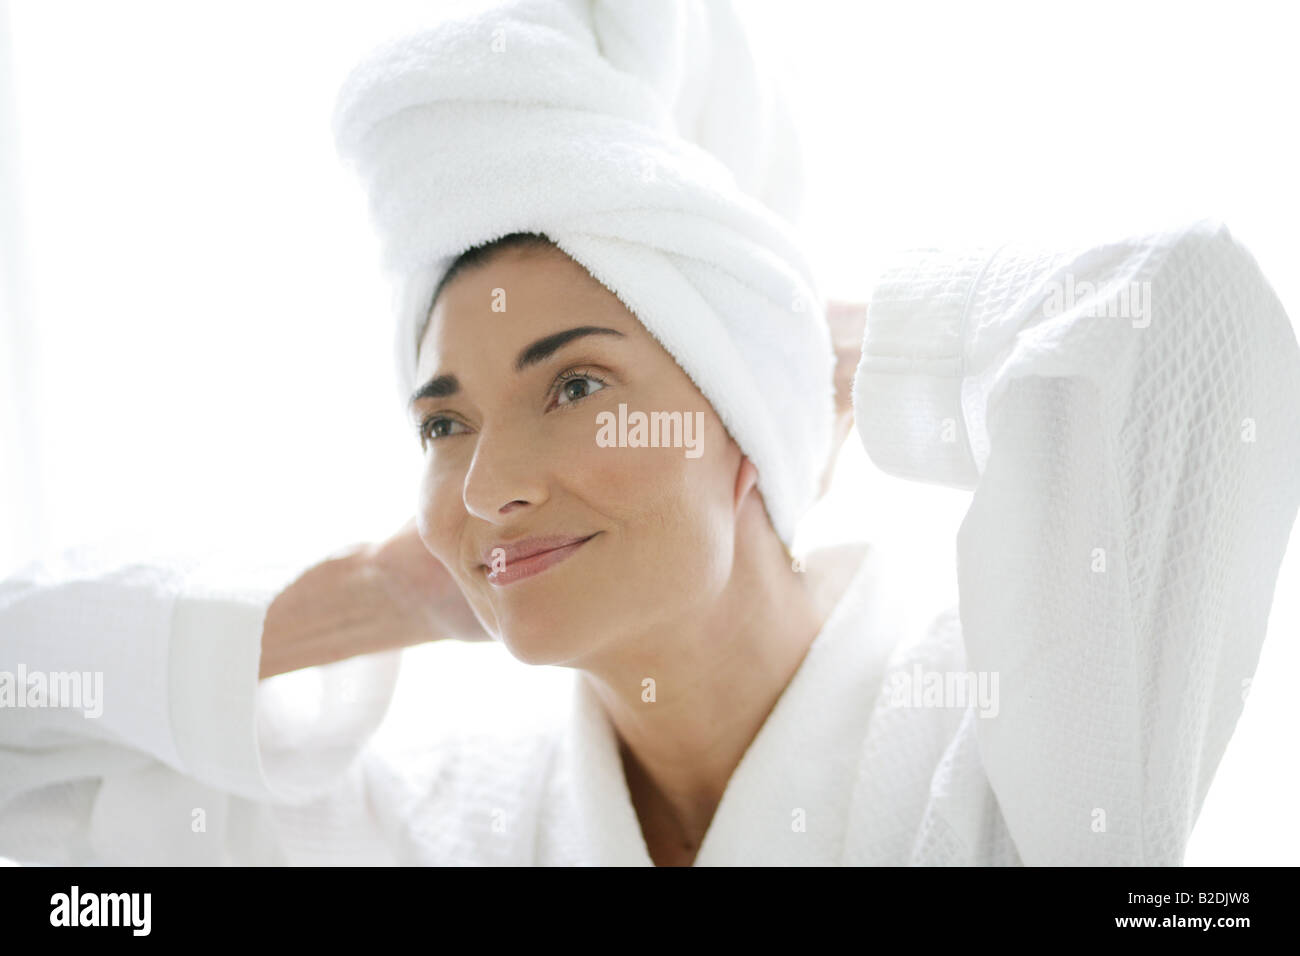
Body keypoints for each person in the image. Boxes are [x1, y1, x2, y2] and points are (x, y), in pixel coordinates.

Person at [3, 0, 1299, 866]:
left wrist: (826, 350)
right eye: (444, 421)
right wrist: (375, 595)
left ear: (746, 412)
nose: (488, 484)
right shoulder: (433, 823)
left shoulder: (1005, 739)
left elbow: (1191, 319)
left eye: (575, 385)